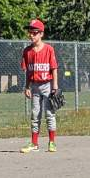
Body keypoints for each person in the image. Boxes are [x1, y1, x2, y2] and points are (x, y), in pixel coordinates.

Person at [20, 19, 59, 153]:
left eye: (35, 32)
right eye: (30, 32)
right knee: (35, 114)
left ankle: (52, 142)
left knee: (49, 114)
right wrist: (27, 87)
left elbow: (54, 68)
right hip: (35, 86)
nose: (31, 35)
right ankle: (34, 143)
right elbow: (28, 72)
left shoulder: (49, 49)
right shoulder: (27, 51)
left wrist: (55, 87)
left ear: (41, 34)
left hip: (47, 85)